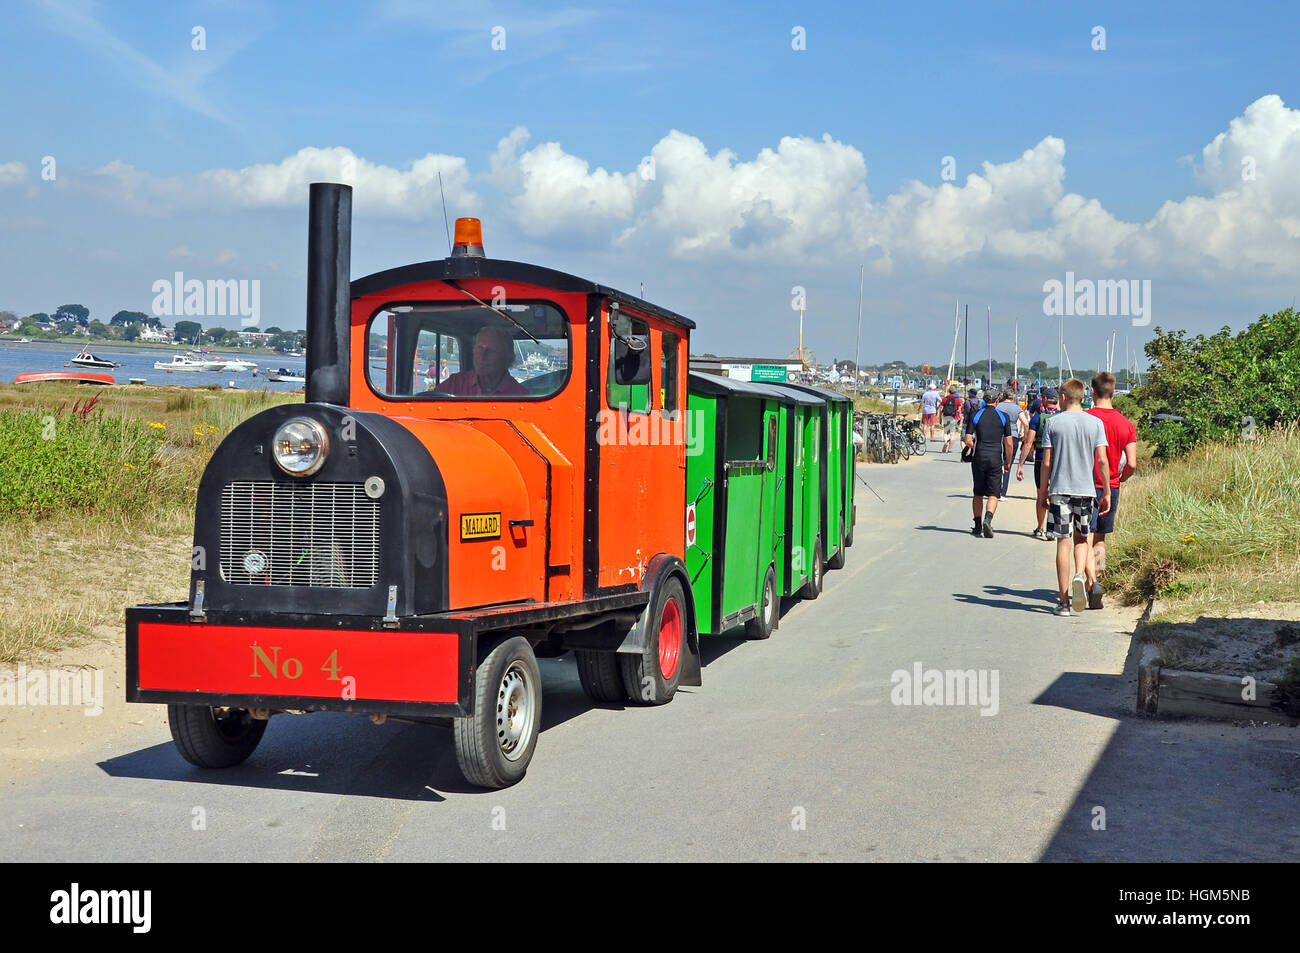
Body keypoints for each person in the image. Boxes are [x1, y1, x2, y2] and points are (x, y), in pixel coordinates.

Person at [1038, 378, 1110, 615]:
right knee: (1082, 539)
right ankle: (1080, 575)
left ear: (1065, 397)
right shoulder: (1095, 423)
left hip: (1060, 490)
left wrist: (1042, 492)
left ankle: (1064, 601)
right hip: (1086, 491)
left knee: (1063, 542)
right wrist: (1107, 491)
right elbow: (1101, 460)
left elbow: (1047, 462)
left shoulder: (1053, 423)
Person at [1084, 372, 1138, 608]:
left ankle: (1090, 581)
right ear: (1114, 392)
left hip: (1085, 484)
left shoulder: (1085, 419)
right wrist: (1120, 478)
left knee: (1083, 535)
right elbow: (1132, 463)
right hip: (1111, 485)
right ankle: (1099, 576)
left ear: (1092, 391)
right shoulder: (1126, 423)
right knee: (1100, 537)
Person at [962, 393, 1015, 537]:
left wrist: (973, 445)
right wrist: (1008, 461)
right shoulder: (1003, 416)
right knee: (993, 493)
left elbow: (968, 439)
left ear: (985, 400)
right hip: (995, 458)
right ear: (997, 400)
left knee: (978, 492)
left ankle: (978, 525)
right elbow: (1009, 443)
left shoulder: (976, 414)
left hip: (979, 456)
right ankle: (988, 519)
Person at [1015, 387, 1060, 538]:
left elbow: (1028, 444)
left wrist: (1020, 464)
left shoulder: (1037, 418)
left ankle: (1040, 527)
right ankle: (1052, 529)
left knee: (1041, 493)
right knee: (1054, 494)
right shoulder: (1061, 417)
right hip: (1058, 460)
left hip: (1041, 458)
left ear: (1045, 400)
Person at [438, 326, 529, 397]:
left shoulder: (520, 394)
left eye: (491, 351)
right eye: (479, 348)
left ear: (508, 359)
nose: (482, 356)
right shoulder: (455, 384)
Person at [995, 389, 1029, 499]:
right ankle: (1003, 492)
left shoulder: (998, 406)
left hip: (998, 435)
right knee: (1008, 464)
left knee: (997, 464)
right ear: (1013, 398)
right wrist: (1025, 436)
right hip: (1013, 436)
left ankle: (995, 489)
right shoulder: (1017, 408)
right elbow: (1026, 423)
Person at [939, 385, 963, 453]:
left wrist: (940, 418)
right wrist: (960, 418)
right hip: (954, 417)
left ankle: (946, 441)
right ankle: (950, 449)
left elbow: (941, 409)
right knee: (952, 434)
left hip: (946, 416)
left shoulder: (945, 399)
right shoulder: (957, 400)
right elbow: (959, 410)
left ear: (949, 391)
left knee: (946, 431)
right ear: (955, 392)